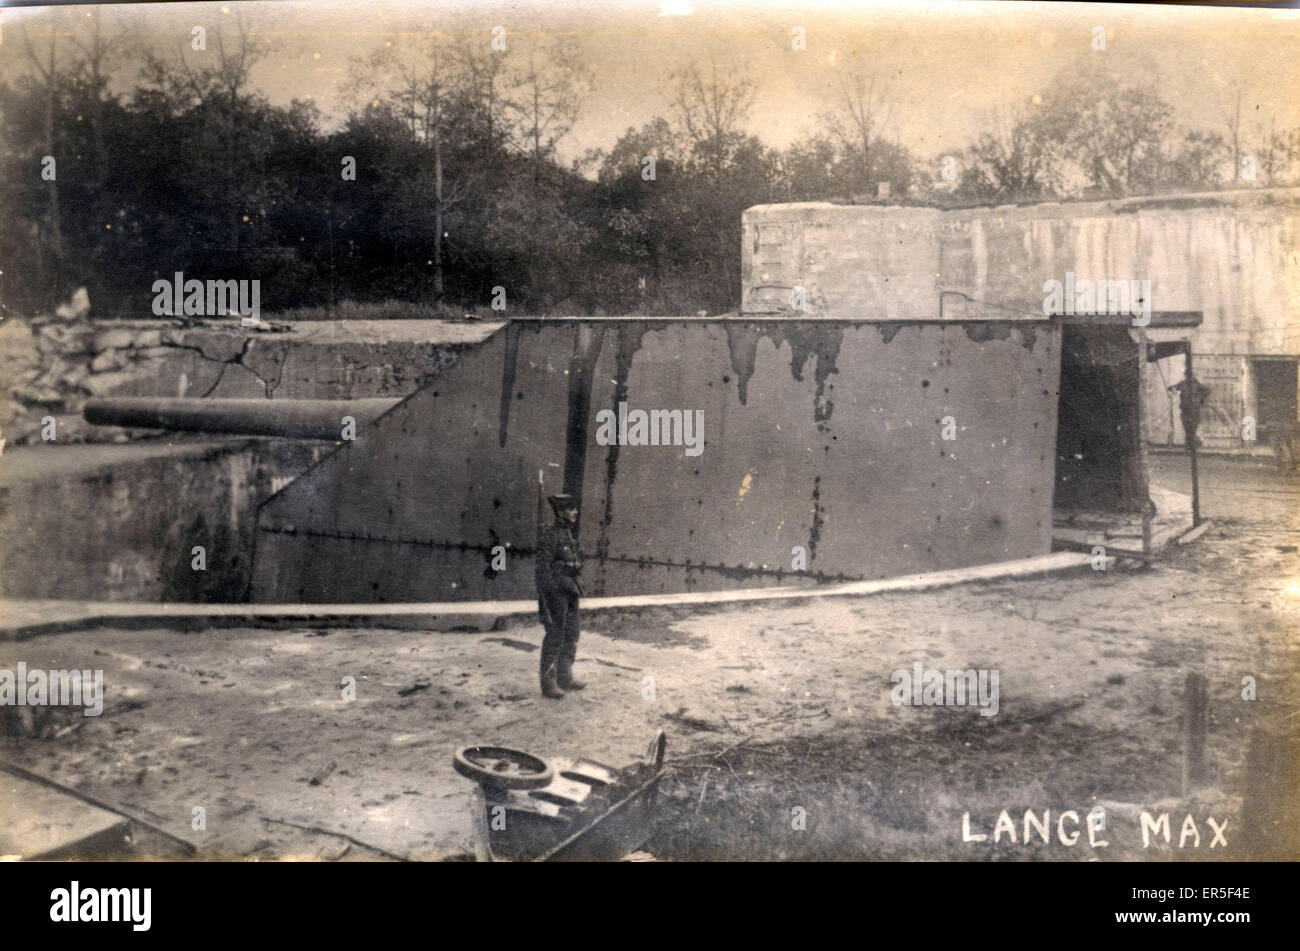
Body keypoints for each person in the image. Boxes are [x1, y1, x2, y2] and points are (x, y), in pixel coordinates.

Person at [535, 494, 585, 699]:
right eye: (571, 509)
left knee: (572, 634)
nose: (575, 512)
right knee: (555, 637)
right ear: (561, 512)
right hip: (557, 594)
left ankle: (565, 677)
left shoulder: (568, 534)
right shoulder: (551, 536)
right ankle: (548, 683)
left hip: (571, 590)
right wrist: (548, 598)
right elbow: (543, 570)